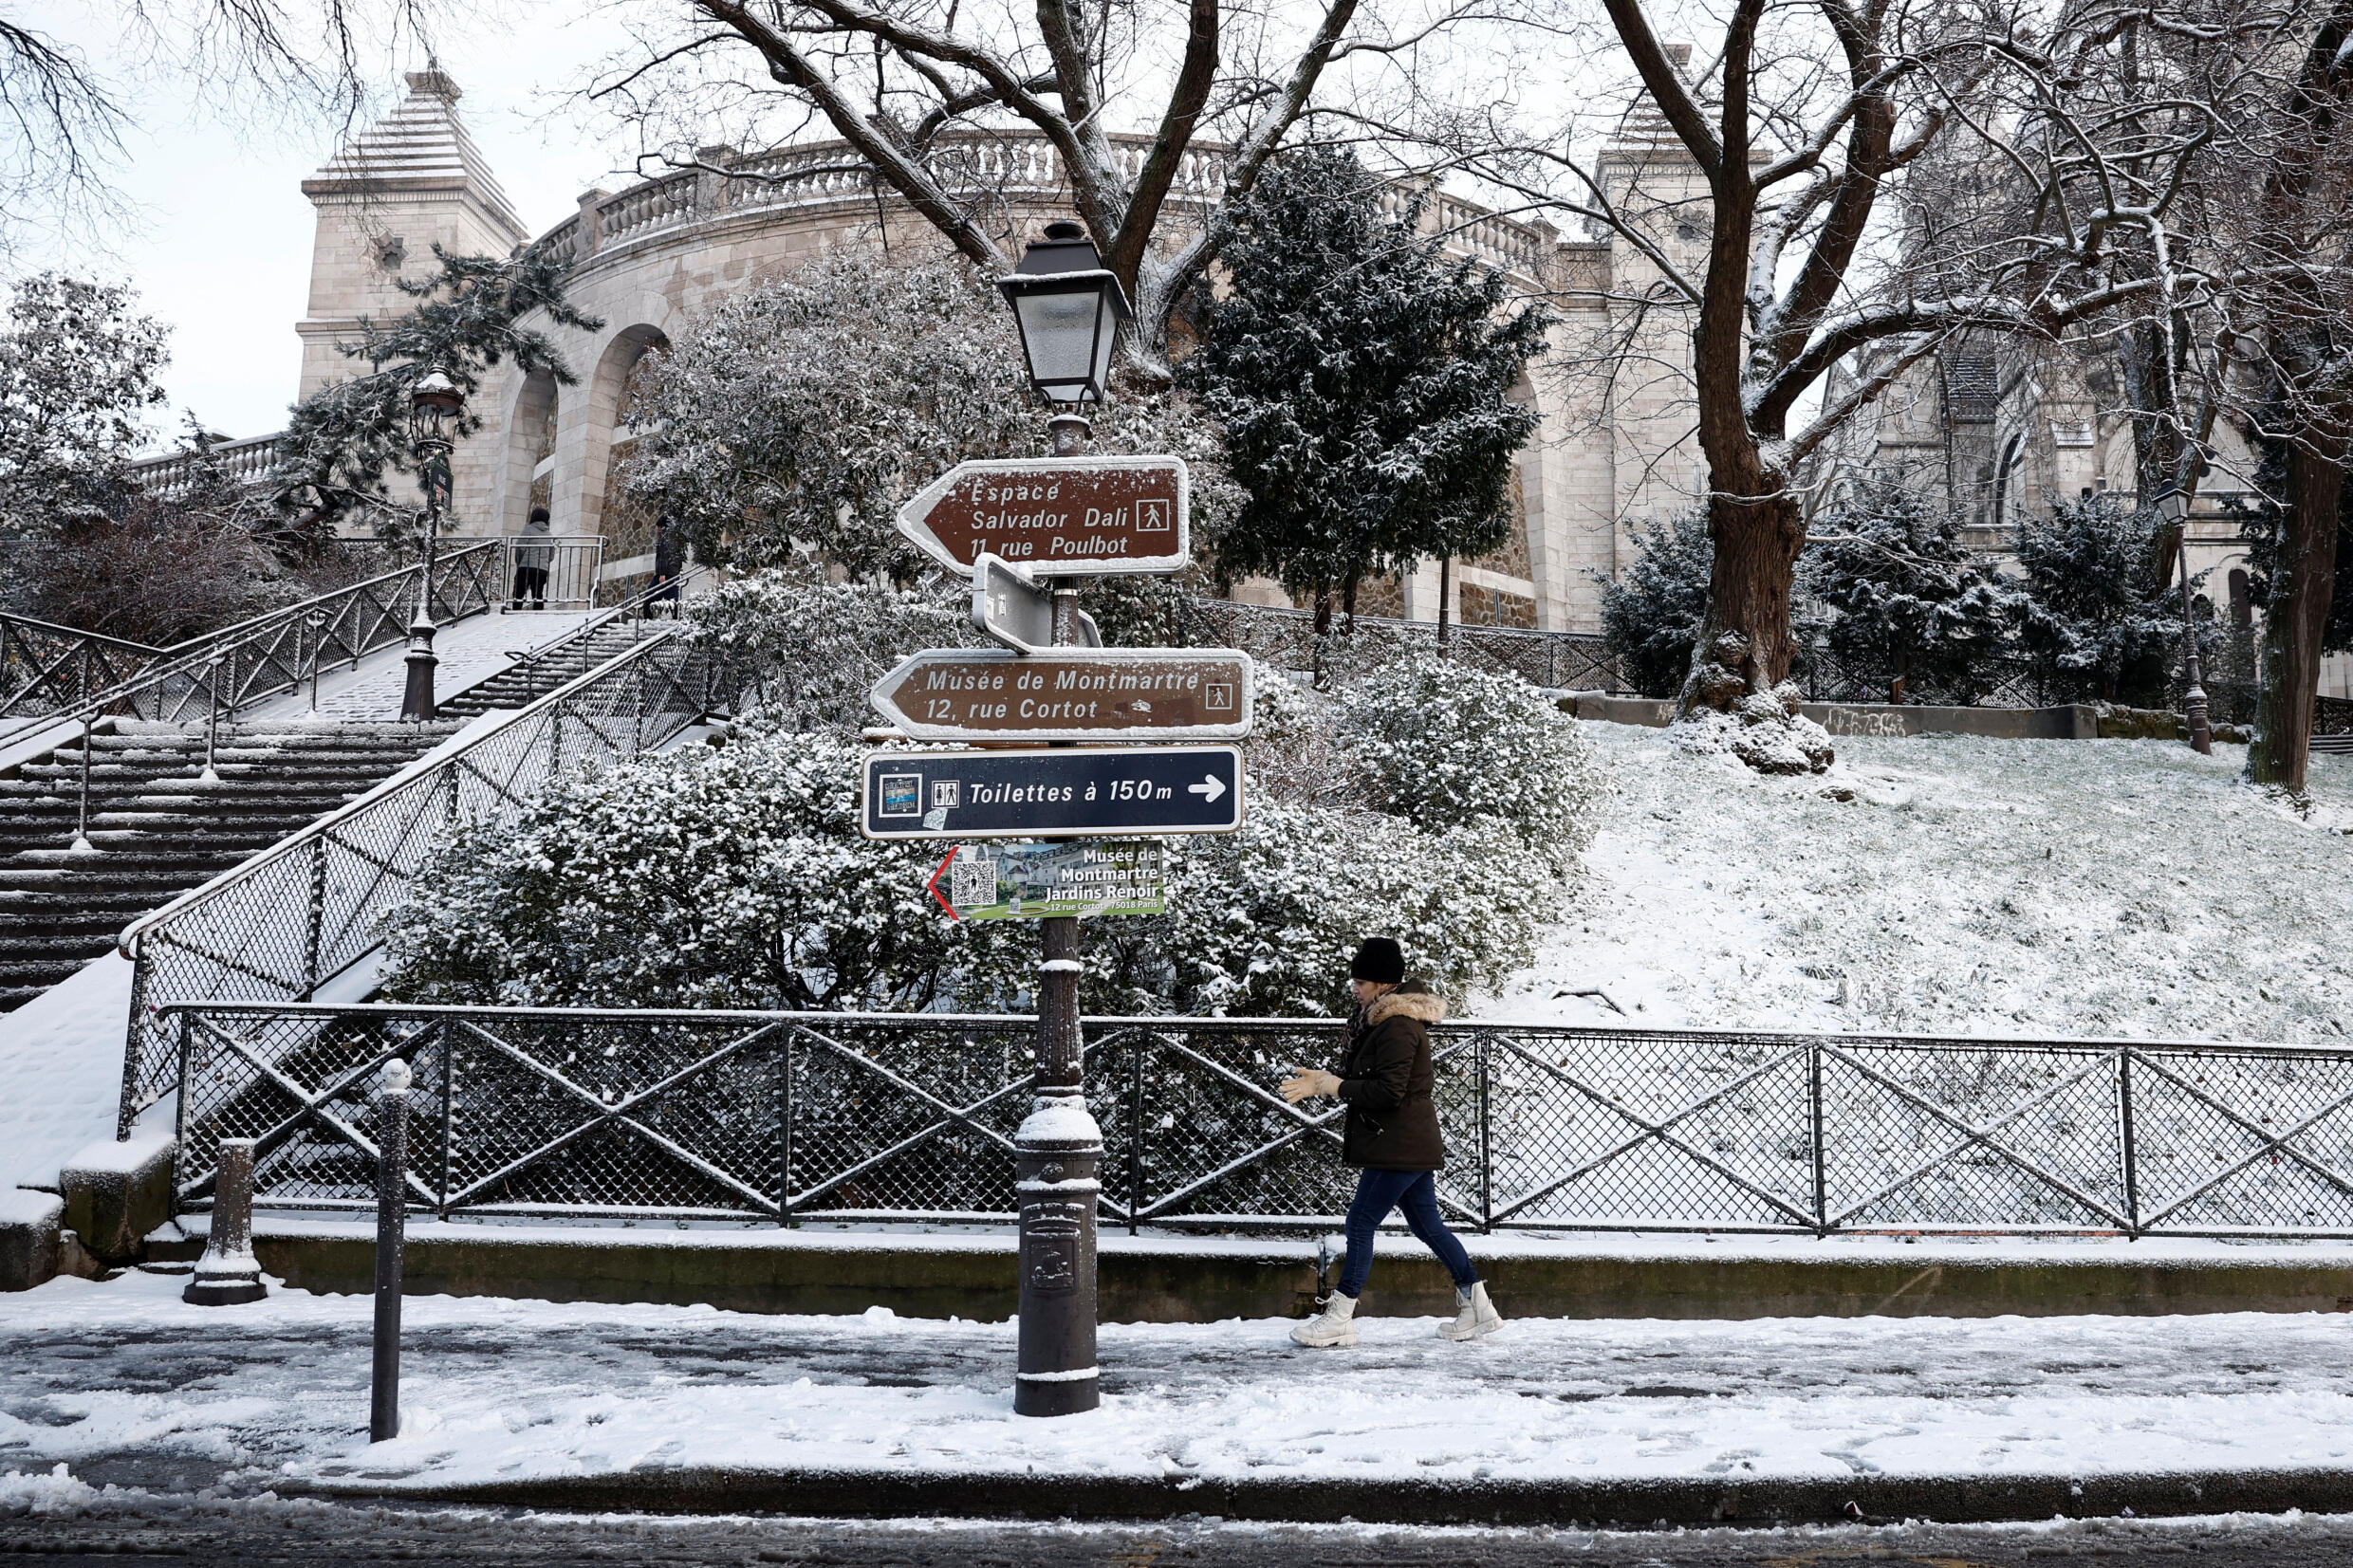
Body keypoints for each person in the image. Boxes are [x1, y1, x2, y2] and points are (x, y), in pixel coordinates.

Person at [1280, 937, 1503, 1347]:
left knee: (1360, 1224)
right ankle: (1478, 1306)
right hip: (1404, 1141)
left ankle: (1340, 1318)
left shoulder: (1398, 1026)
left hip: (1398, 1143)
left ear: (1383, 985)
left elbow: (1389, 1092)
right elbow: (1376, 1079)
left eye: (1361, 981)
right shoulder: (1383, 1021)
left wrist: (1334, 1087)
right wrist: (1325, 1080)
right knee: (1427, 1225)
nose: (1354, 987)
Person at [511, 509, 554, 610]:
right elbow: (551, 555)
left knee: (519, 592)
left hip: (526, 566)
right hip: (542, 568)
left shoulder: (528, 530)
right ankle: (538, 612)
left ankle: (515, 611)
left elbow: (520, 547)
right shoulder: (549, 535)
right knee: (538, 592)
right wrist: (544, 562)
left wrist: (519, 561)